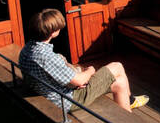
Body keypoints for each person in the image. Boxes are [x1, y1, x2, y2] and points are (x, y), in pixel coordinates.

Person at [18, 8, 148, 112]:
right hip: (67, 100)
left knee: (119, 83)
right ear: (53, 32)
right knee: (117, 66)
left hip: (52, 92)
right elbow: (79, 80)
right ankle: (129, 103)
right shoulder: (46, 56)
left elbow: (63, 76)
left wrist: (76, 79)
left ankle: (128, 108)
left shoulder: (27, 49)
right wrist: (90, 71)